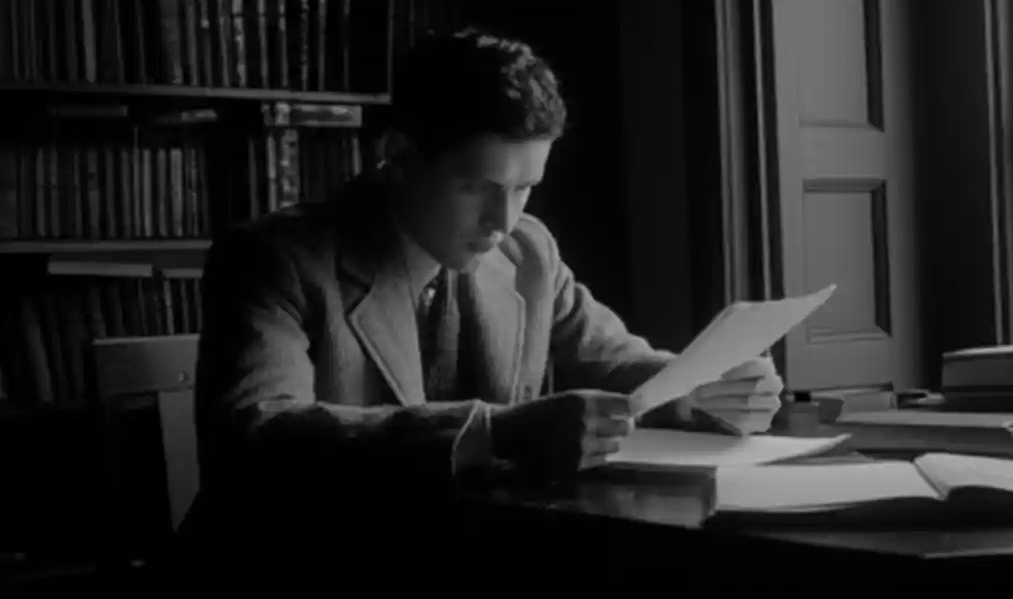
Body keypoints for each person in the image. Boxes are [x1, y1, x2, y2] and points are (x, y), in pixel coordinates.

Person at [190, 29, 785, 543]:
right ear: (398, 155)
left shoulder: (530, 251)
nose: (503, 222)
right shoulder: (274, 258)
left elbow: (614, 361)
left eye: (525, 188)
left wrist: (699, 388)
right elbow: (258, 438)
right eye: (478, 186)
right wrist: (490, 434)